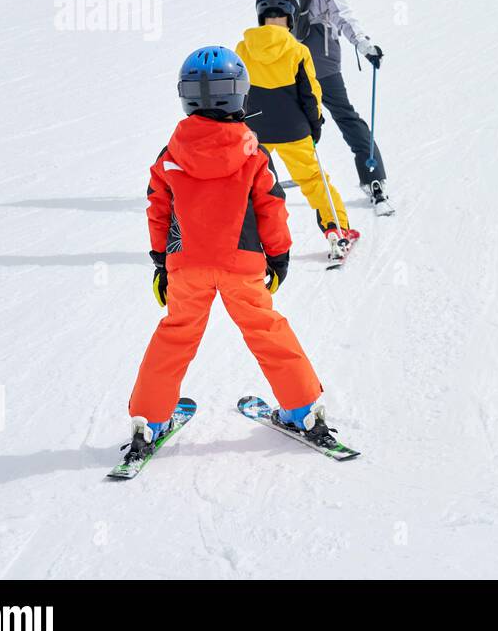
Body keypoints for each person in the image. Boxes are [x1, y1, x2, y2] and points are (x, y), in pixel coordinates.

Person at [127, 45, 341, 458]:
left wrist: (160, 262)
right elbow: (271, 208)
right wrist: (278, 257)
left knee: (175, 336)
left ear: (186, 96)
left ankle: (149, 421)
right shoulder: (253, 154)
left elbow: (158, 209)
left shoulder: (170, 156)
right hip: (242, 264)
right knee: (266, 330)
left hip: (186, 265)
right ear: (240, 92)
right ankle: (302, 411)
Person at [270, 0, 394, 216]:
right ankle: (373, 177)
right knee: (345, 116)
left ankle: (262, 174)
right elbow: (343, 14)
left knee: (275, 118)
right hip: (321, 61)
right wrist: (364, 44)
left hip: (286, 60)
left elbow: (266, 1)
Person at [236, 0, 359, 259]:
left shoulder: (242, 49)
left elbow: (238, 90)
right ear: (291, 16)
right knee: (314, 179)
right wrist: (315, 125)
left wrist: (239, 125)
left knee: (252, 185)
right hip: (293, 129)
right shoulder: (297, 50)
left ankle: (246, 241)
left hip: (254, 131)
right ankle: (337, 231)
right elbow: (311, 93)